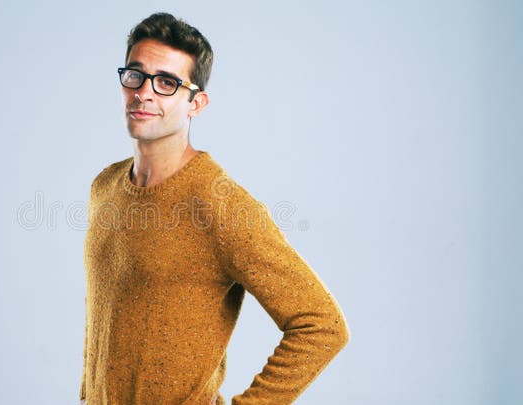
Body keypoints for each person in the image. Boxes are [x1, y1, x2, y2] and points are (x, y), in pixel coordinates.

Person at [80, 12, 349, 405]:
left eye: (167, 82)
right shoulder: (105, 187)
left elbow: (323, 325)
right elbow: (103, 310)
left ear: (197, 103)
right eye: (136, 75)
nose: (145, 93)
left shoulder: (220, 204)